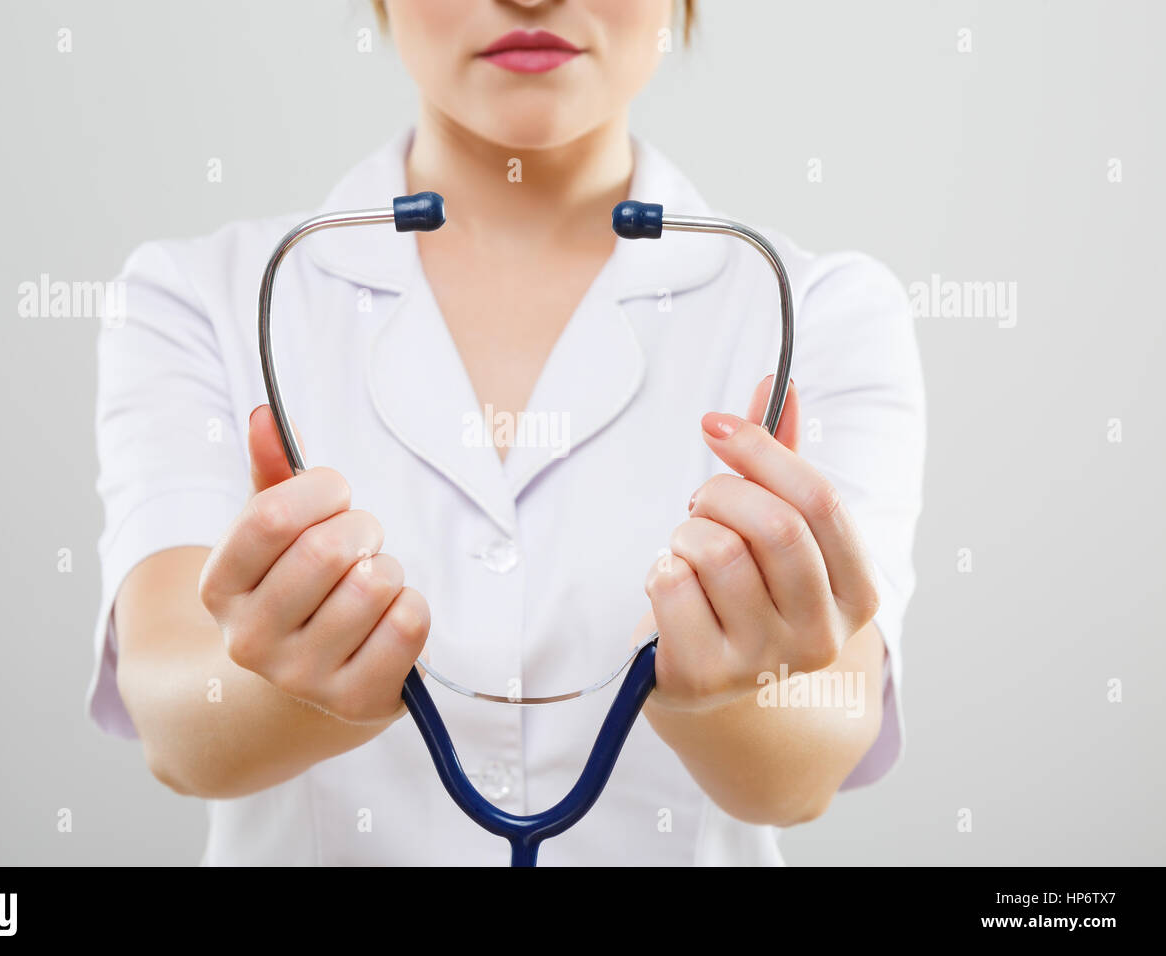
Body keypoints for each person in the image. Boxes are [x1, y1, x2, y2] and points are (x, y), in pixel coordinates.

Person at [88, 0, 925, 865]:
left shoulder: (821, 310)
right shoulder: (199, 296)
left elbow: (813, 761)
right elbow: (173, 718)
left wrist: (730, 692)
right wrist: (289, 684)